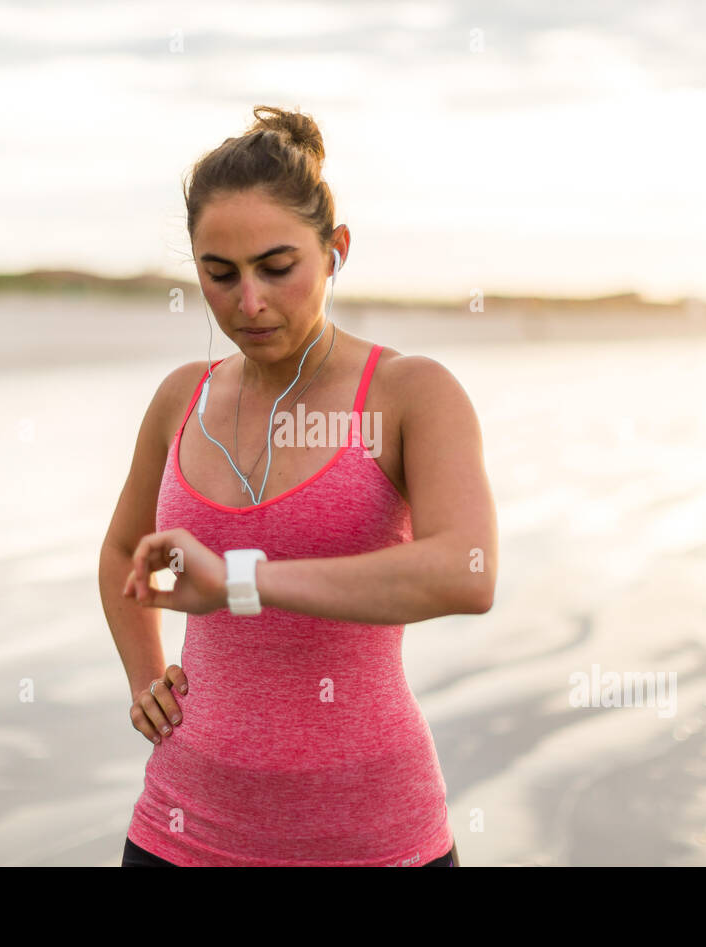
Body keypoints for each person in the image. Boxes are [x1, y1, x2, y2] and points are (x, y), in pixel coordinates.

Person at [98, 105, 497, 866]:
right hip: (180, 831)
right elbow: (124, 551)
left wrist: (240, 580)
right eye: (220, 275)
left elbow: (466, 573)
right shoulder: (181, 398)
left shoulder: (411, 393)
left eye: (278, 268)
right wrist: (147, 679)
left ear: (336, 250)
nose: (249, 303)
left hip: (372, 839)